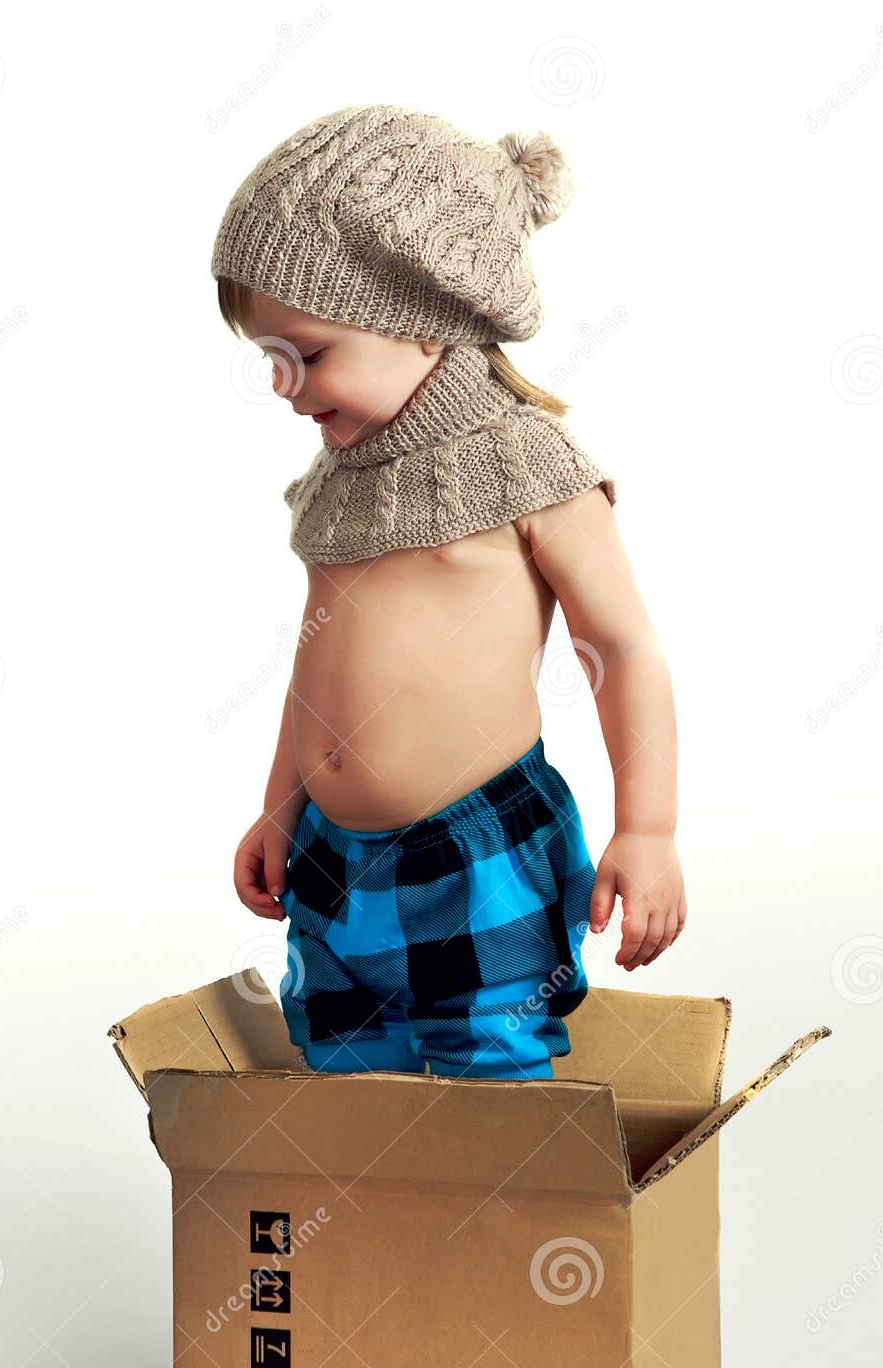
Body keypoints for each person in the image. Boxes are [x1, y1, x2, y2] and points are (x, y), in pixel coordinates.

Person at [212, 103, 685, 1079]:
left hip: (476, 851)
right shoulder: (335, 486)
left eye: (308, 353)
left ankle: (501, 1185)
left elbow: (622, 648)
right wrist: (280, 805)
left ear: (421, 323)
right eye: (269, 358)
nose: (283, 386)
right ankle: (379, 1184)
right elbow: (317, 664)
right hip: (333, 858)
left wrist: (648, 829)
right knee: (347, 1066)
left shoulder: (526, 464)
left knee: (492, 1063)